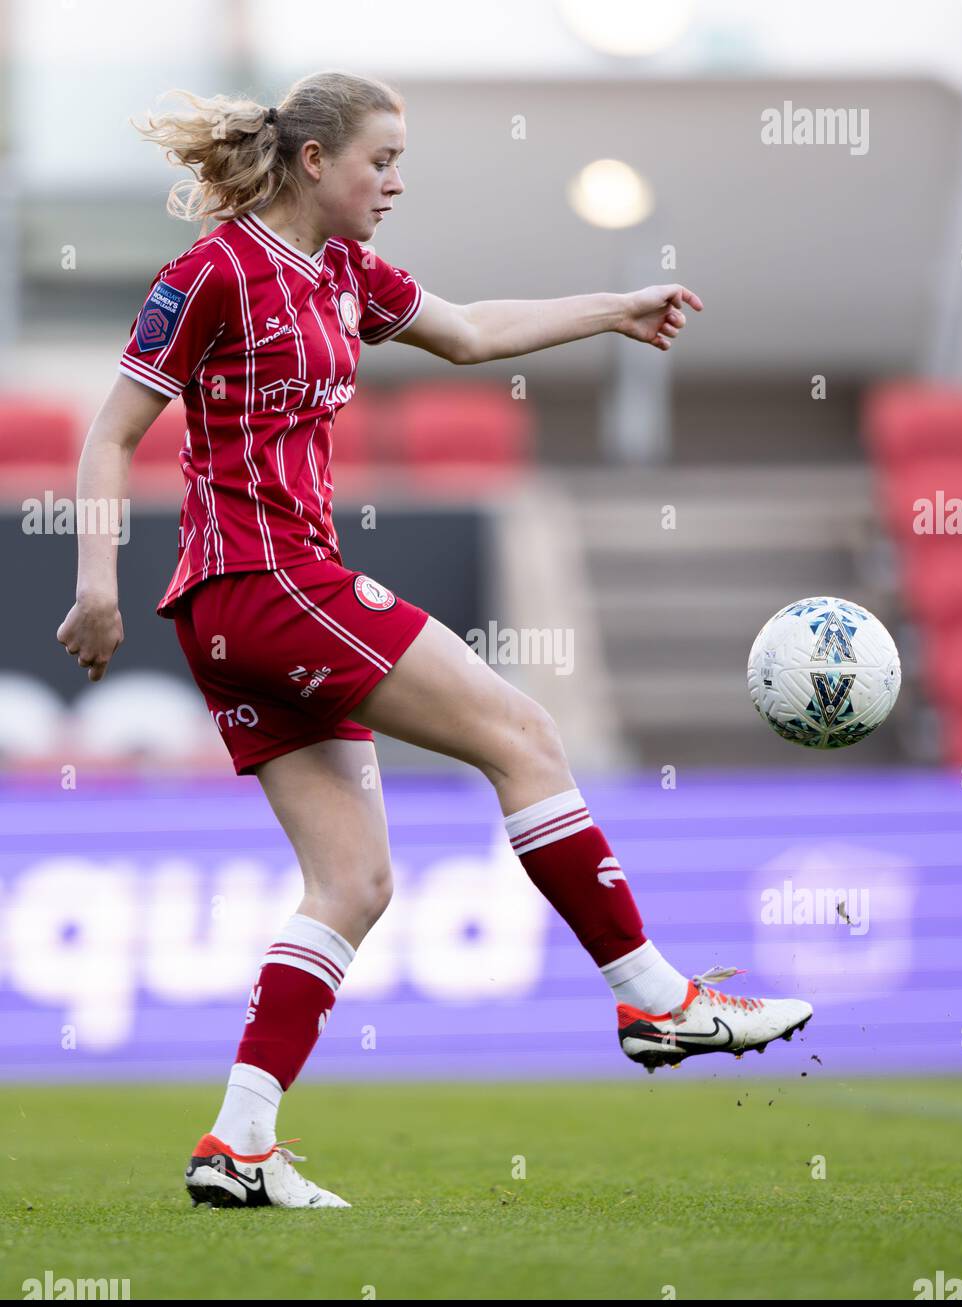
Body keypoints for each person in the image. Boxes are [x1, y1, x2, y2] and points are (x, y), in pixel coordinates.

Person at [56, 71, 811, 1210]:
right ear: (315, 161)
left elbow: (465, 333)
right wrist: (94, 587)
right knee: (520, 731)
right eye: (381, 160)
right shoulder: (212, 272)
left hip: (246, 604)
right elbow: (110, 433)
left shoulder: (348, 273)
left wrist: (610, 307)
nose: (395, 182)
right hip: (262, 580)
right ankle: (655, 997)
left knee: (351, 881)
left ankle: (238, 1144)